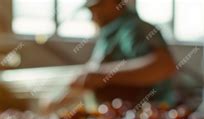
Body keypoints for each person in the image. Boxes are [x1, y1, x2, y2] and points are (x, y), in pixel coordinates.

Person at [44, 0, 177, 112]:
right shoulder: (109, 35)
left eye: (94, 9)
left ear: (110, 2)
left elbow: (164, 66)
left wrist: (102, 75)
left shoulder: (133, 29)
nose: (92, 16)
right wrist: (55, 102)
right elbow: (91, 77)